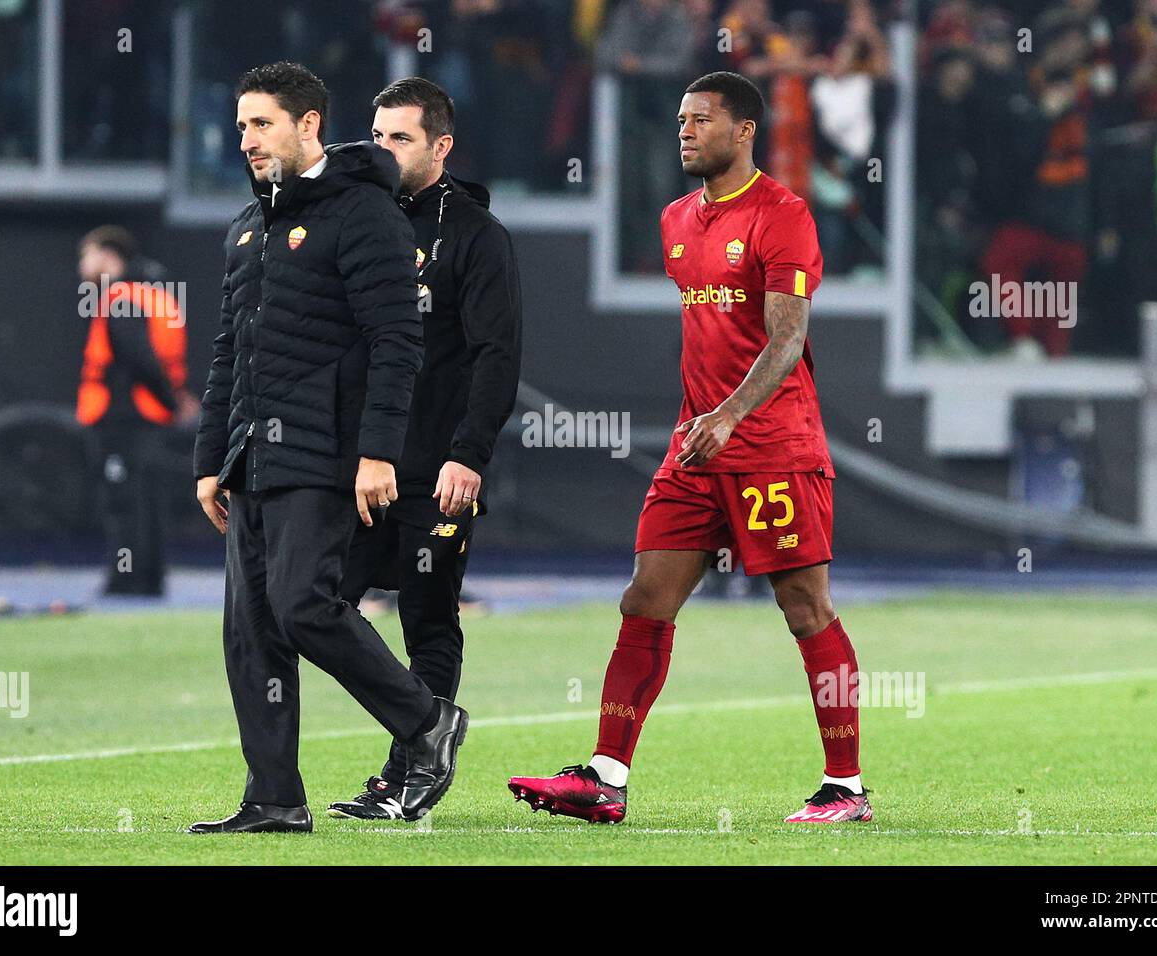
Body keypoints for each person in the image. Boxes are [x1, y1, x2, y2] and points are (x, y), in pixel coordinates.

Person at [507, 71, 870, 825]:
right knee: (645, 598)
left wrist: (732, 415)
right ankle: (605, 777)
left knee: (805, 609)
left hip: (770, 445)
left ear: (743, 132)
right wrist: (705, 422)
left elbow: (787, 336)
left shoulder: (784, 214)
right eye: (680, 119)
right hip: (696, 447)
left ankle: (846, 788)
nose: (683, 131)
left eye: (700, 120)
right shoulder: (676, 219)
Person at [188, 62, 466, 834]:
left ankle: (426, 720)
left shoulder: (363, 214)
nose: (246, 139)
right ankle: (274, 798)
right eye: (241, 124)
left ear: (307, 125)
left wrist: (377, 453)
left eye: (262, 123)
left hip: (326, 454)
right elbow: (225, 352)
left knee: (304, 604)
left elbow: (396, 340)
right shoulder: (249, 225)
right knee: (250, 633)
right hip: (251, 457)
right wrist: (212, 459)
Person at [327, 77, 521, 821]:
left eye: (400, 138)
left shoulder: (475, 235)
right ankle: (426, 732)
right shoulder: (352, 219)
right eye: (375, 136)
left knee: (428, 615)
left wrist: (468, 454)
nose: (383, 150)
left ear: (441, 147)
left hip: (435, 463)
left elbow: (496, 355)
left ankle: (406, 772)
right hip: (354, 463)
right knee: (315, 604)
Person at [75, 225, 197, 597]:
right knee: (148, 499)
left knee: (124, 502)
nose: (83, 264)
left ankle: (126, 580)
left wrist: (170, 401)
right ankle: (150, 577)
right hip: (150, 419)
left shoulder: (121, 298)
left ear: (110, 258)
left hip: (124, 419)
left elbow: (139, 357)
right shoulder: (155, 295)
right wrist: (173, 400)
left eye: (88, 254)